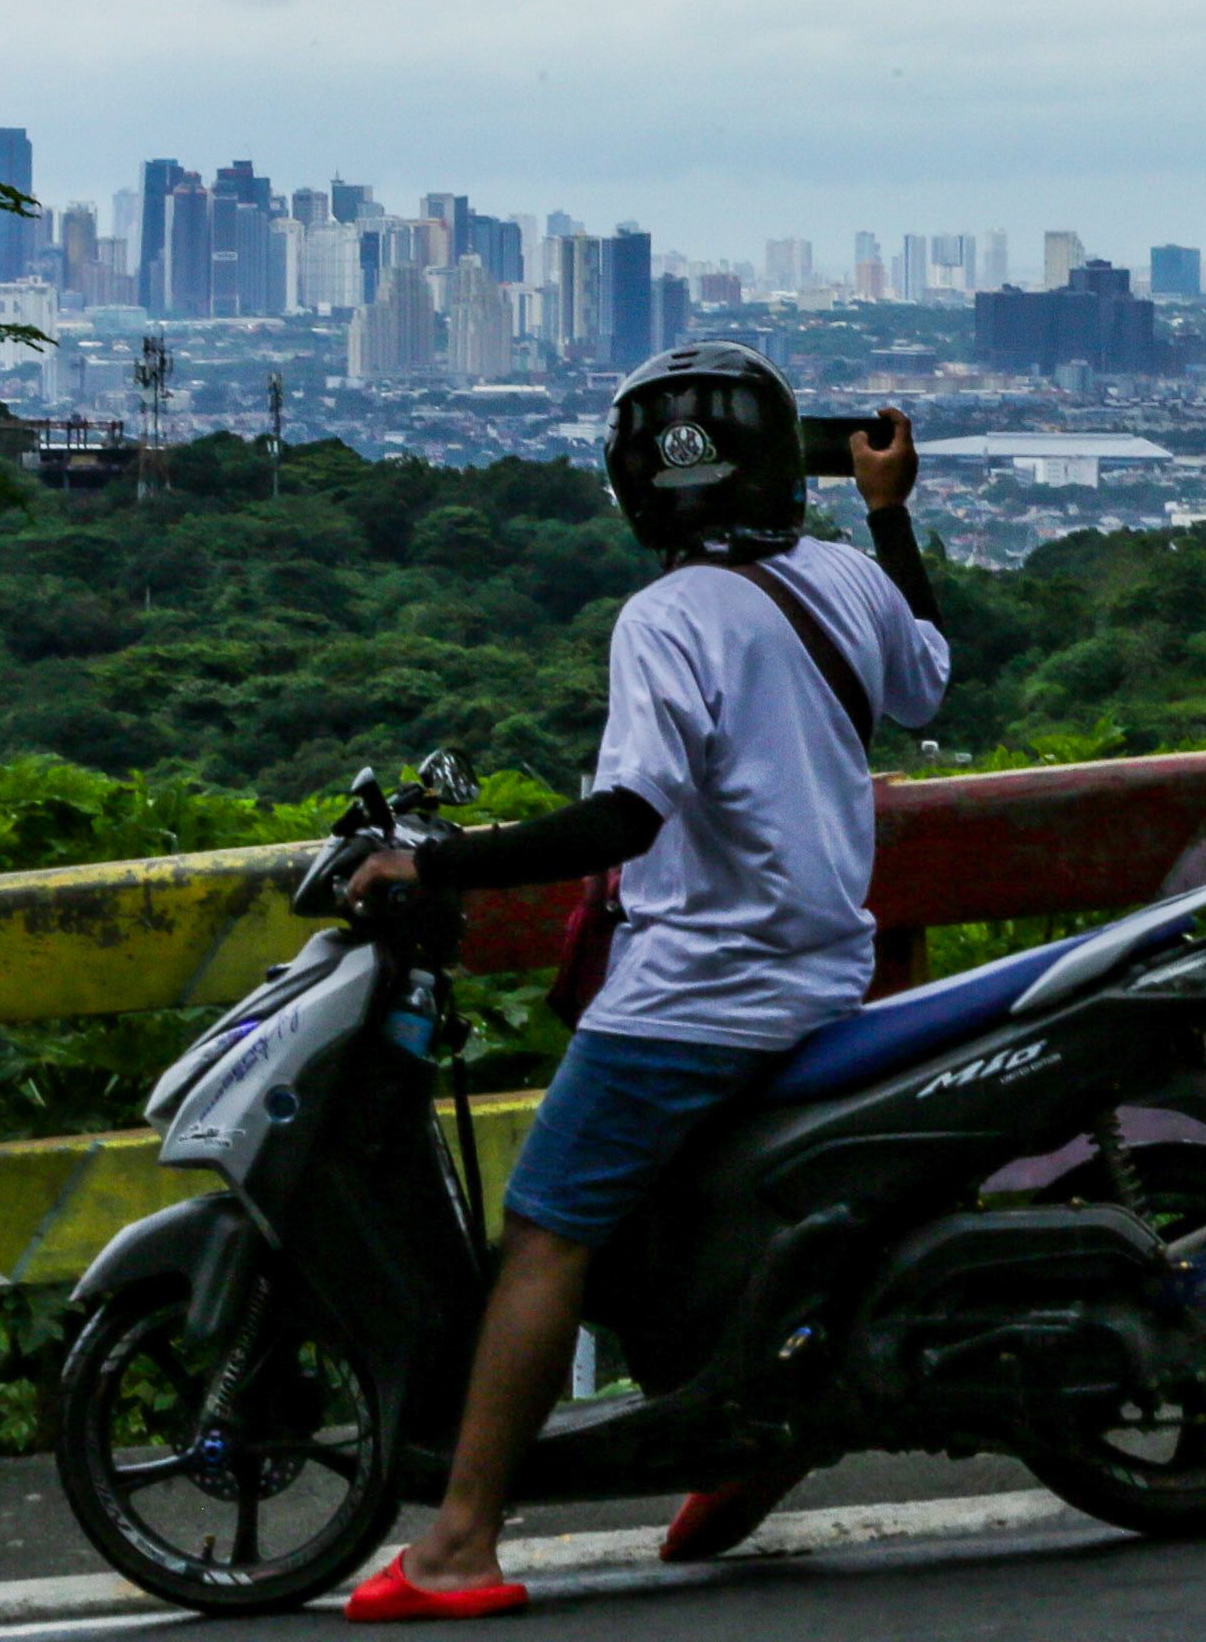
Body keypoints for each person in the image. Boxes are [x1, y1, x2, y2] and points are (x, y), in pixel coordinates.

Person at [340, 345, 947, 1623]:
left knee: (548, 1232)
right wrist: (888, 518)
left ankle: (457, 1544)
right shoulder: (839, 574)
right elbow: (927, 687)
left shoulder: (668, 618)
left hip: (697, 993)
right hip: (822, 968)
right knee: (686, 1225)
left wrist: (437, 860)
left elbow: (624, 815)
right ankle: (742, 1457)